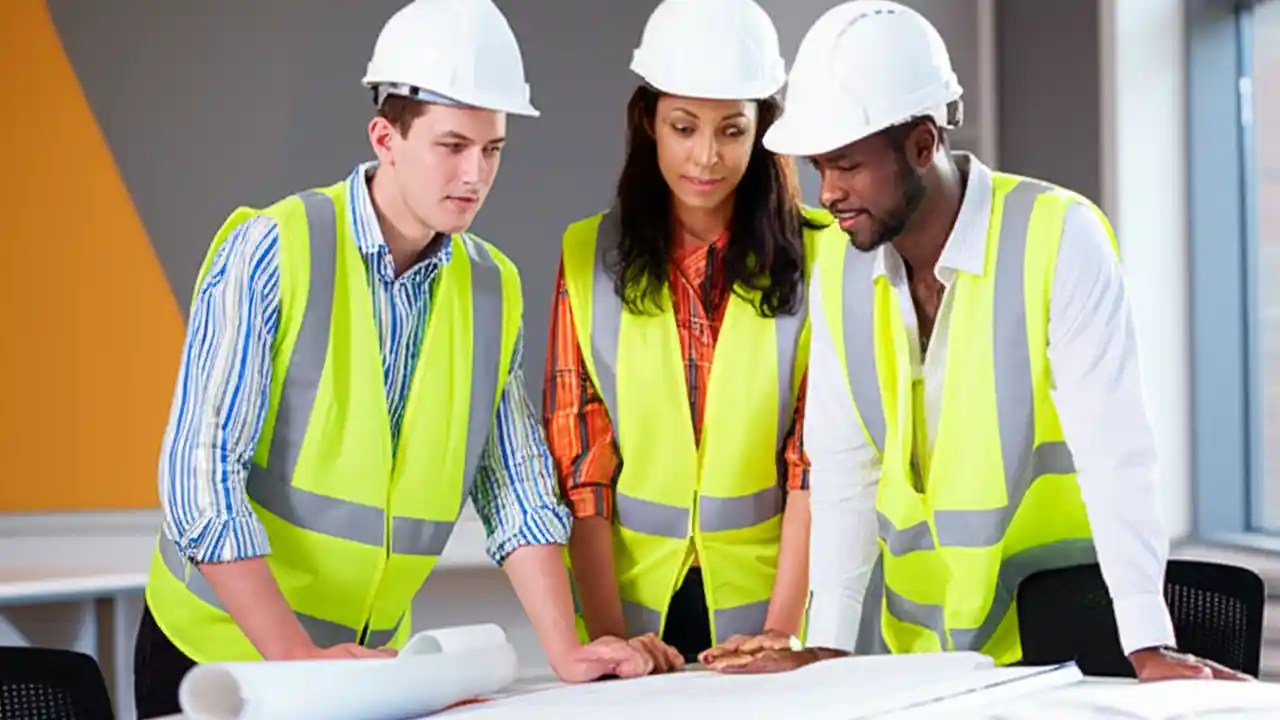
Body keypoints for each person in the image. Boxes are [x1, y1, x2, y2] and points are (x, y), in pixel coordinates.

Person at [133, 1, 652, 716]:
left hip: (367, 667)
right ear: (386, 137)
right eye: (452, 145)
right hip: (220, 660)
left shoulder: (491, 285)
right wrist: (295, 660)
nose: (475, 173)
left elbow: (517, 489)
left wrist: (566, 649)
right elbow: (200, 479)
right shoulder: (275, 250)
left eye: (493, 149)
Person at [709, 0, 1252, 681]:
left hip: (1061, 646)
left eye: (847, 164)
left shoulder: (1058, 237)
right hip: (928, 663)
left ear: (922, 144)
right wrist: (830, 647)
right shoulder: (840, 272)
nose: (830, 193)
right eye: (820, 168)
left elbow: (1118, 453)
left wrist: (1147, 642)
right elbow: (844, 472)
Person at [542, 0, 842, 670]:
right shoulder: (588, 254)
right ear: (649, 121)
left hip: (777, 602)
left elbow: (814, 466)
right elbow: (581, 463)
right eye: (684, 127)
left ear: (764, 128)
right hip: (631, 604)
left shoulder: (827, 258)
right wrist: (609, 638)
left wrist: (782, 633)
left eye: (732, 130)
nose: (706, 156)